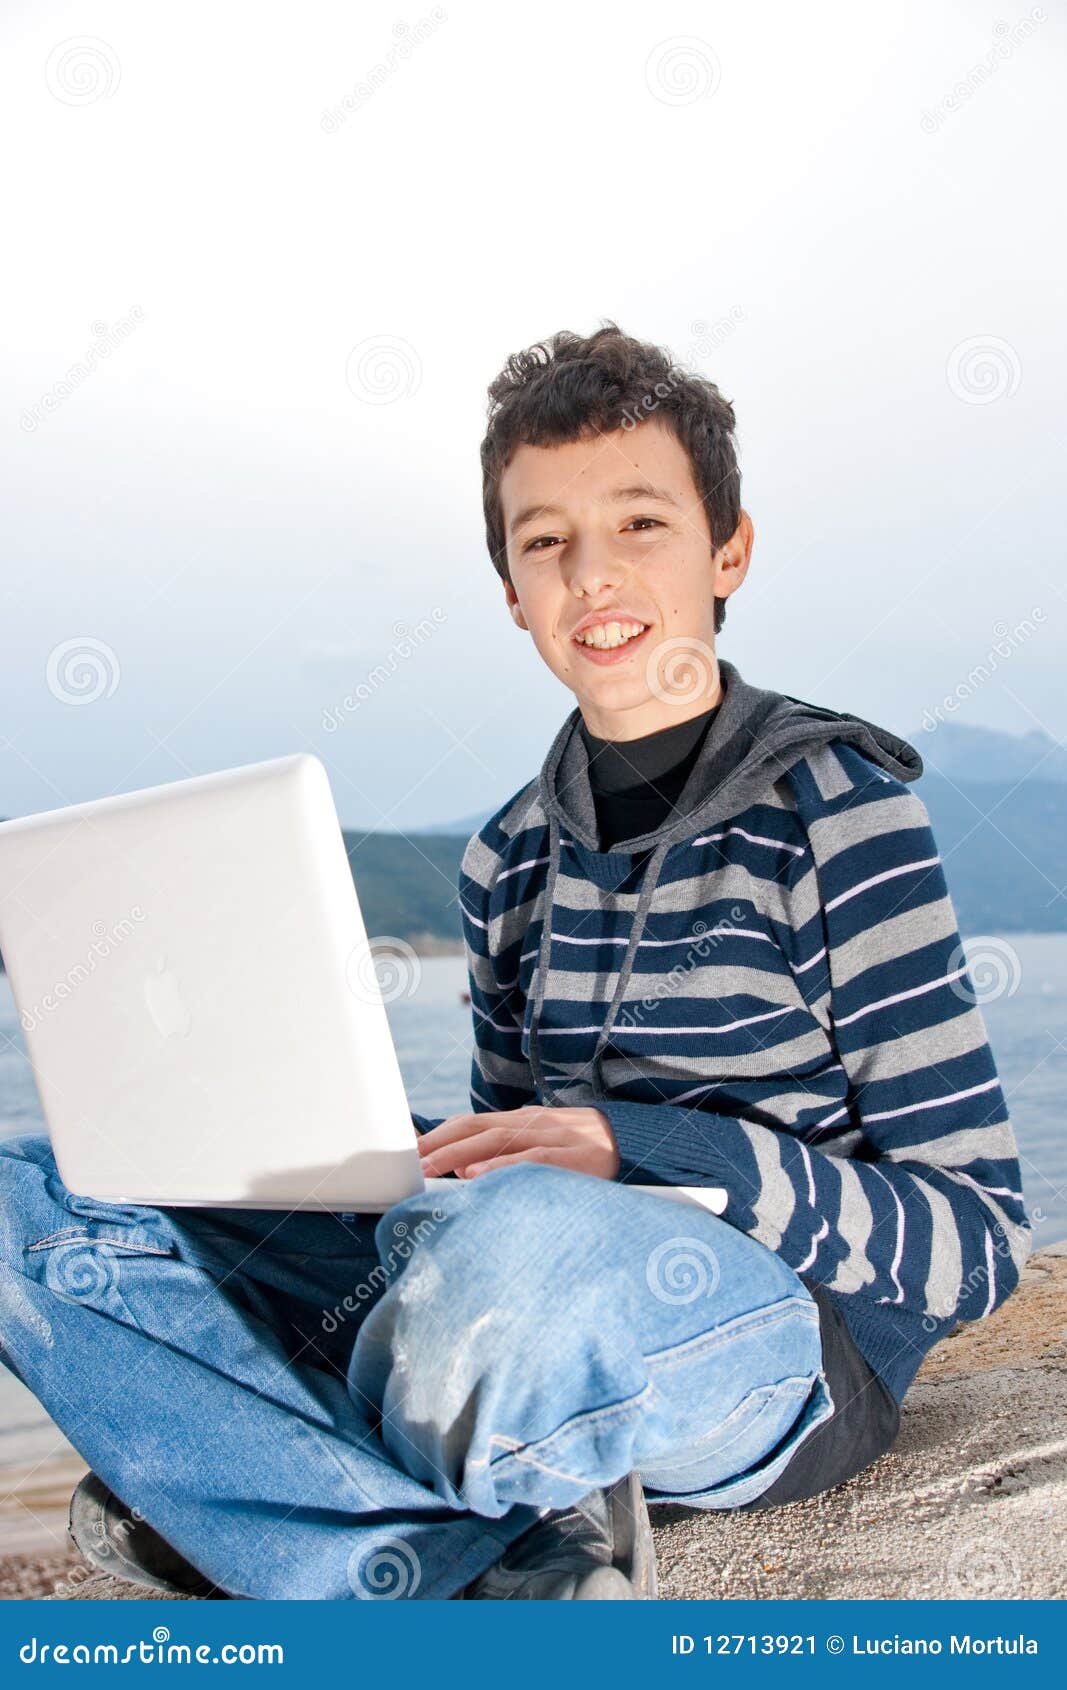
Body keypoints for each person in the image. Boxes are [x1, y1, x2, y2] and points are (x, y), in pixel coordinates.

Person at [0, 324, 1030, 1601]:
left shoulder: (840, 812)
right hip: (525, 1283)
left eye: (639, 523)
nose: (591, 574)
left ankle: (283, 1495)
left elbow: (978, 1239)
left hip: (781, 1343)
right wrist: (384, 1161)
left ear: (727, 551)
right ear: (509, 590)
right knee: (36, 1195)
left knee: (516, 1252)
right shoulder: (507, 856)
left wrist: (635, 1147)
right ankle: (476, 1568)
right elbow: (494, 1187)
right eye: (545, 541)